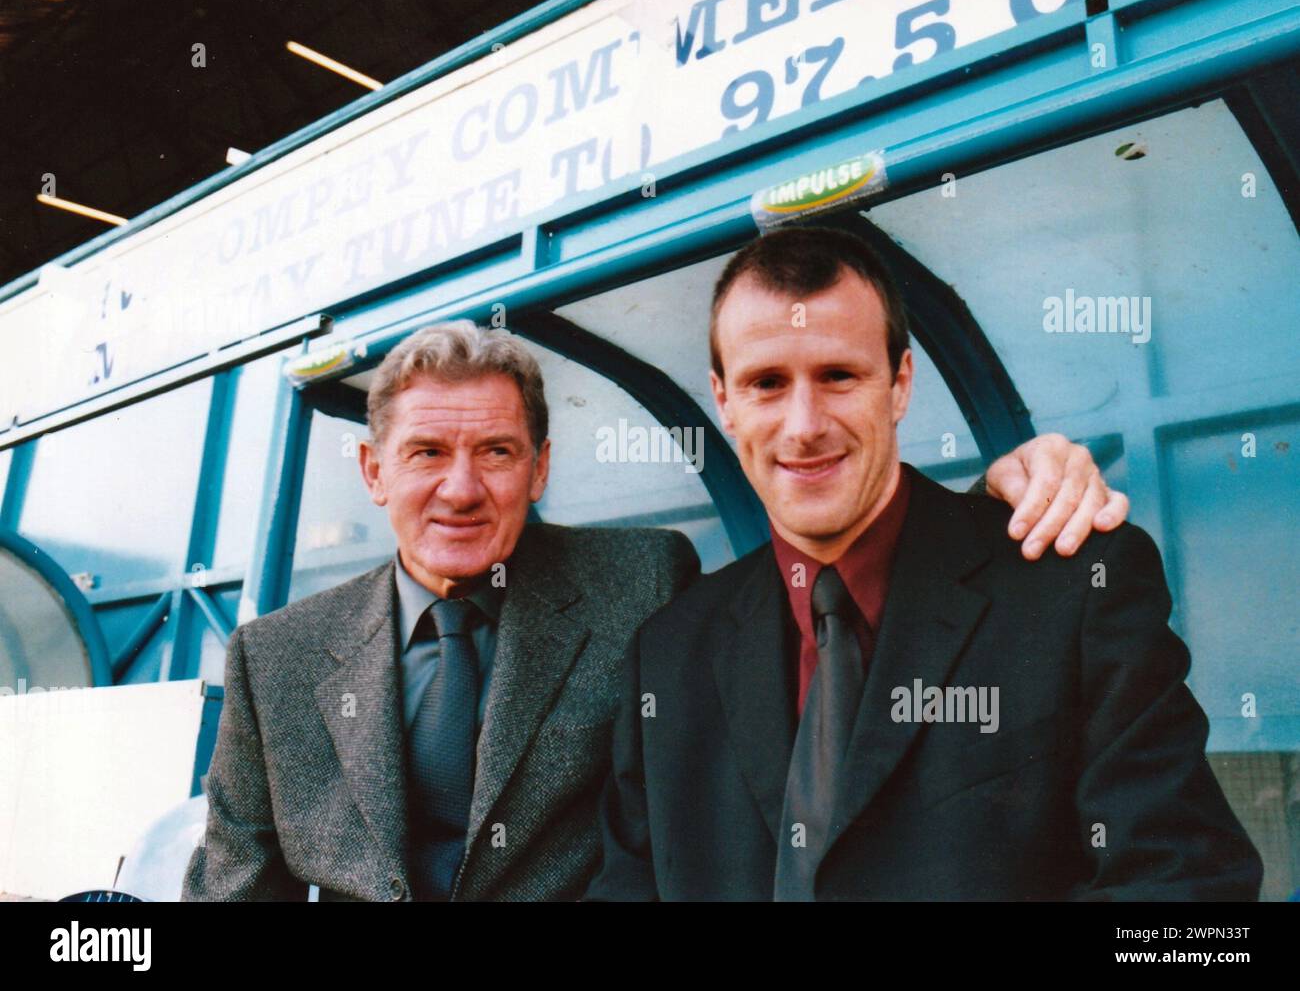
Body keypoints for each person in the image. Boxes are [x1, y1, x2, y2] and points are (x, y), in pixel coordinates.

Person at [182, 314, 1129, 901]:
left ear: (542, 466)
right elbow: (233, 888)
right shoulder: (278, 656)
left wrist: (1015, 482)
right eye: (428, 452)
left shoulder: (647, 584)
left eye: (499, 453)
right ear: (373, 468)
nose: (461, 490)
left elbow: (840, 544)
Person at [587, 226, 1262, 901]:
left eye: (838, 376)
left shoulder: (1075, 584)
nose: (803, 424)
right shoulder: (668, 655)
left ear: (901, 383)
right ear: (724, 402)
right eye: (766, 383)